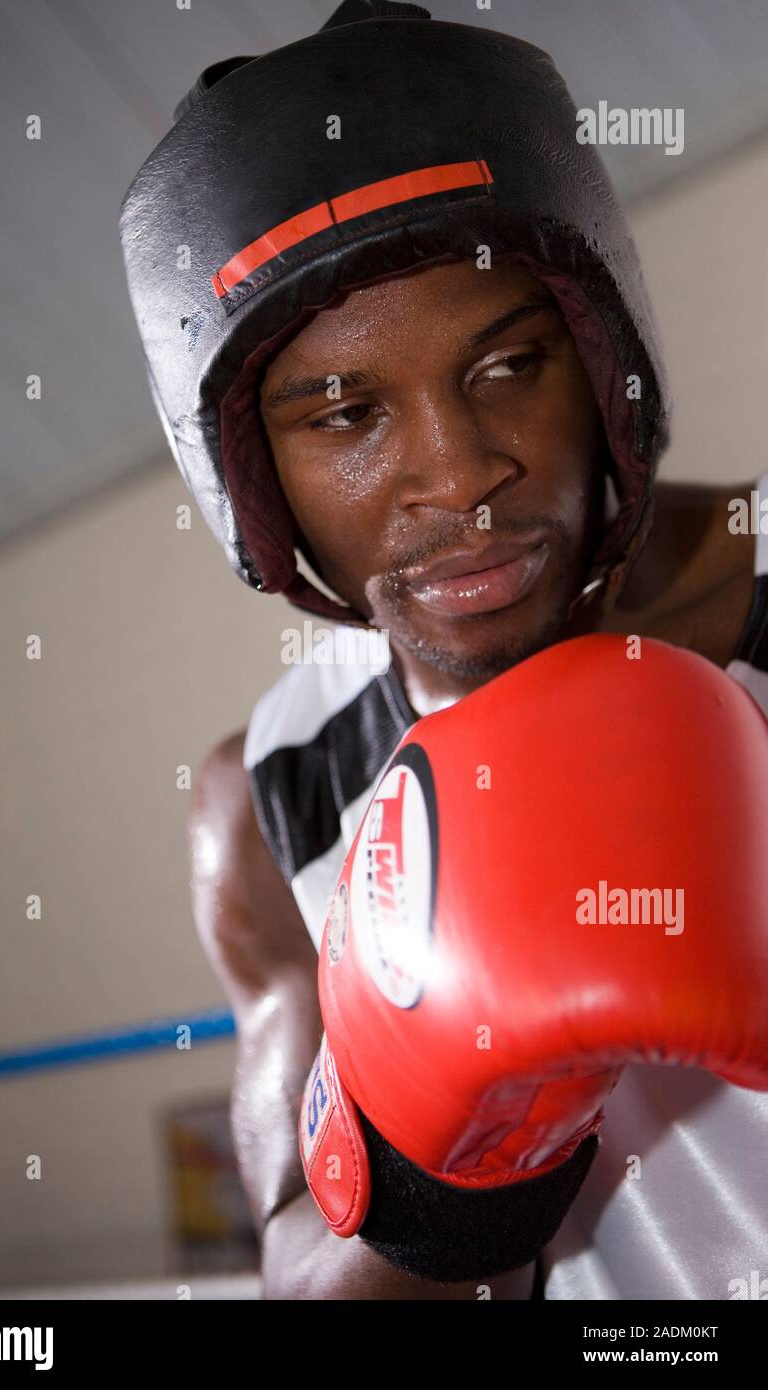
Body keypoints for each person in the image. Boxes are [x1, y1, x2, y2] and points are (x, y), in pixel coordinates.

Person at [120, 1, 768, 1298]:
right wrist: (450, 1171)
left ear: (602, 362)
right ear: (250, 477)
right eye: (345, 412)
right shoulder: (271, 797)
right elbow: (301, 1268)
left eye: (508, 362)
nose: (460, 474)